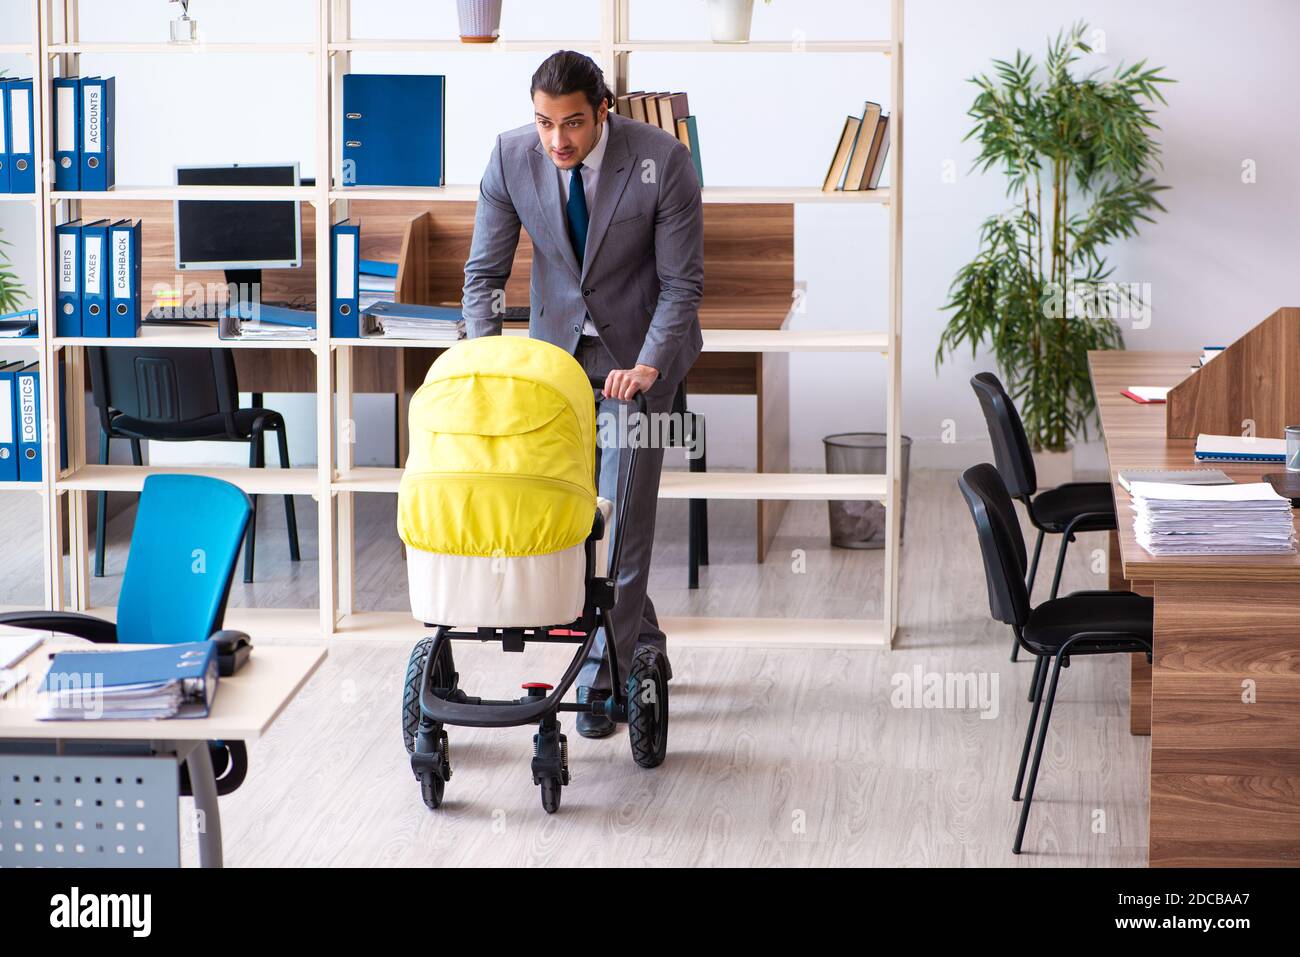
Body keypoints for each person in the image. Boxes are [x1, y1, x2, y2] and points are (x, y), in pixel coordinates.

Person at [462, 50, 704, 738]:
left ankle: (609, 671)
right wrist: (488, 359)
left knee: (622, 522)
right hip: (555, 365)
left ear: (603, 111)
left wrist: (650, 366)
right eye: (543, 122)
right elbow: (483, 277)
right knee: (575, 523)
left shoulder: (663, 161)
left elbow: (684, 287)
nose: (557, 140)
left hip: (641, 363)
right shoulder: (511, 159)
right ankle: (641, 638)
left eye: (571, 123)